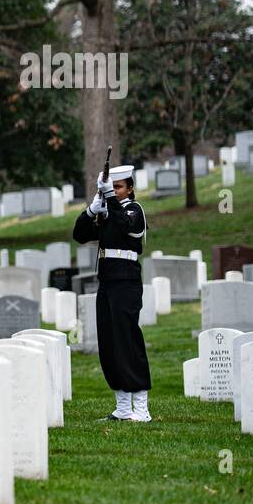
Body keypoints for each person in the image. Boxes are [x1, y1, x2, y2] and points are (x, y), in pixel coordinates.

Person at [73, 164, 151, 422]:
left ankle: (141, 408)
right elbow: (79, 235)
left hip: (126, 281)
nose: (115, 191)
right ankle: (123, 407)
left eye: (118, 187)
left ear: (130, 188)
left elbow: (130, 226)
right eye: (112, 187)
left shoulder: (134, 210)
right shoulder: (108, 211)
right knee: (109, 342)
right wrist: (91, 209)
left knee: (127, 341)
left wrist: (109, 199)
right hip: (107, 281)